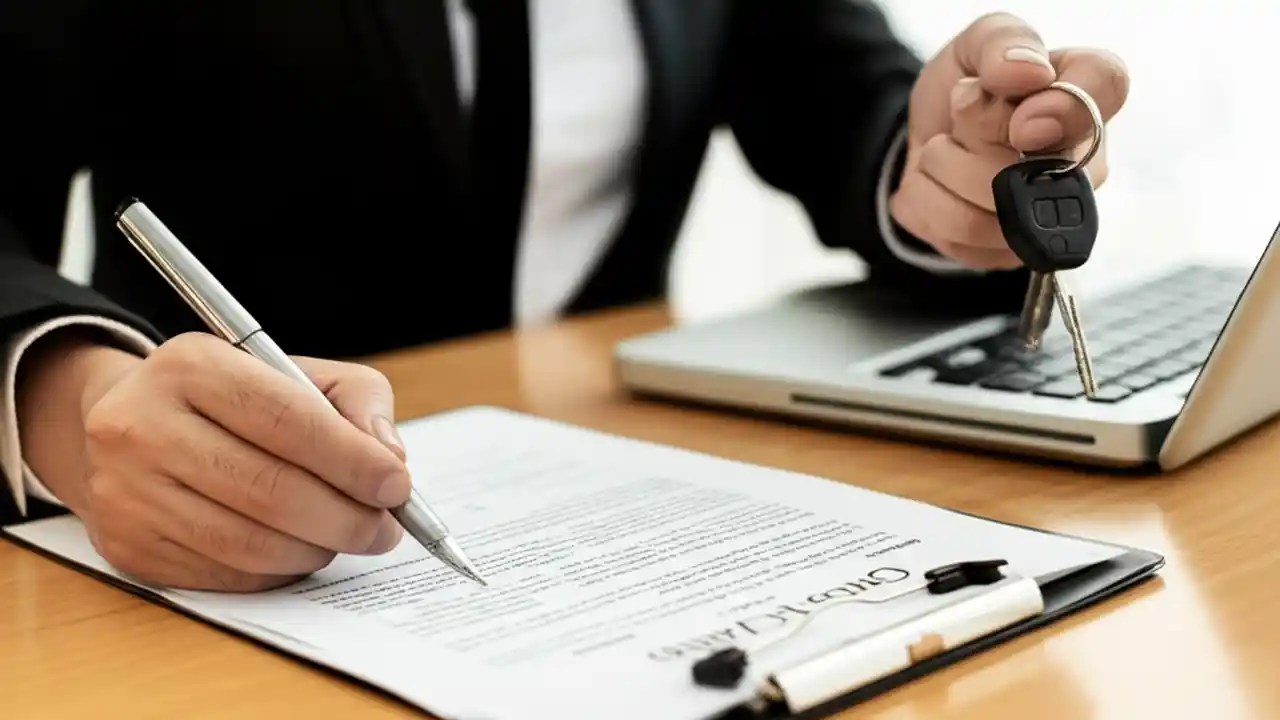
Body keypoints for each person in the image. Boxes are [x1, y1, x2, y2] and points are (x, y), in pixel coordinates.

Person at [0, 1, 1127, 591]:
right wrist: (64, 399)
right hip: (206, 524)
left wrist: (939, 171)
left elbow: (841, 91)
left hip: (612, 483)